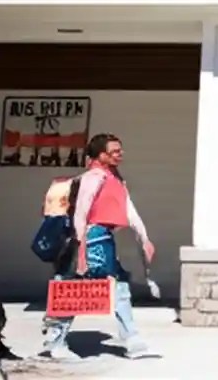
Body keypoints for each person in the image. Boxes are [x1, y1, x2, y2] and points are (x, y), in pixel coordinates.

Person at [41, 133, 158, 360]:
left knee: (103, 286)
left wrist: (144, 238)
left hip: (102, 237)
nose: (120, 154)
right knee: (79, 289)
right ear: (100, 155)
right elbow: (81, 212)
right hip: (92, 237)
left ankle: (131, 341)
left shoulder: (115, 179)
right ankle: (58, 341)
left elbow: (129, 210)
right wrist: (81, 248)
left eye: (120, 150)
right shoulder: (93, 177)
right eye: (114, 151)